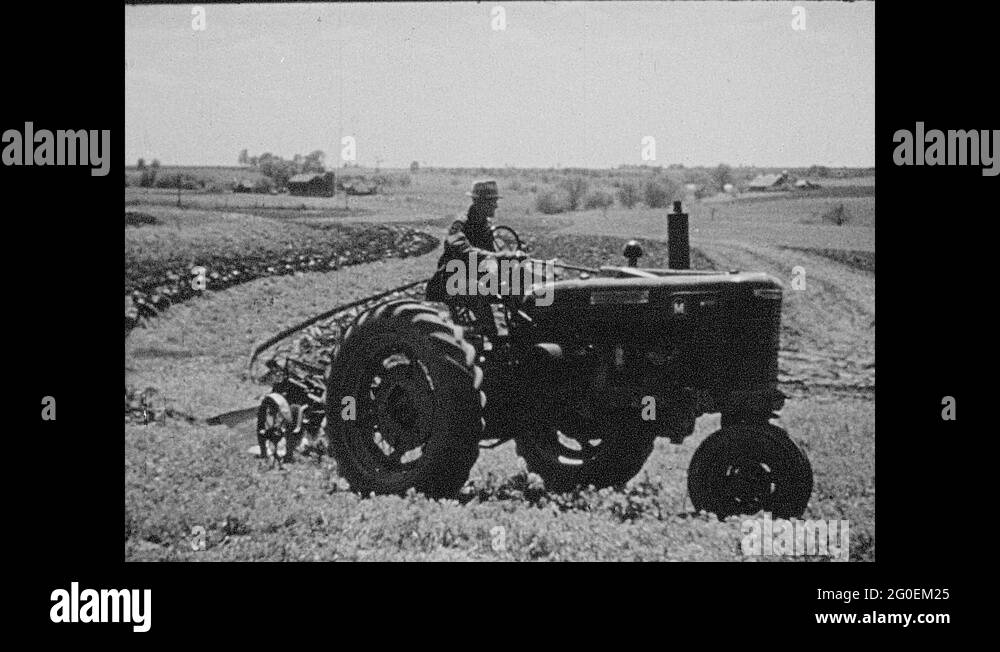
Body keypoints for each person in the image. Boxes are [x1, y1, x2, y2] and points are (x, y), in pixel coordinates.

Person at [425, 179, 525, 330]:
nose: (496, 205)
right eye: (492, 201)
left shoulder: (485, 225)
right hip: (452, 279)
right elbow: (463, 250)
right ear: (479, 202)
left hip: (477, 276)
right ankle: (491, 336)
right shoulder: (460, 224)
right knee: (476, 290)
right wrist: (499, 256)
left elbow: (493, 254)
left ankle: (520, 330)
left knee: (521, 281)